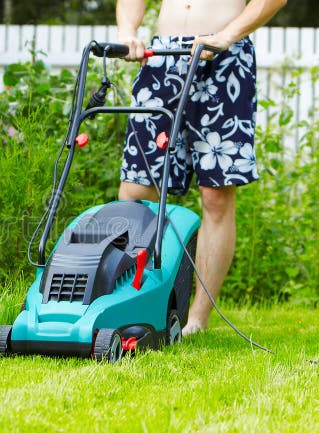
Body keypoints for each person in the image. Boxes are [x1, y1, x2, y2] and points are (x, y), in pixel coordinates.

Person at [116, 0, 286, 335]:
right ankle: (128, 299)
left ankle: (197, 318)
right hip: (162, 58)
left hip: (224, 56)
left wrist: (227, 35)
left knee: (216, 195)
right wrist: (127, 33)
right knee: (136, 190)